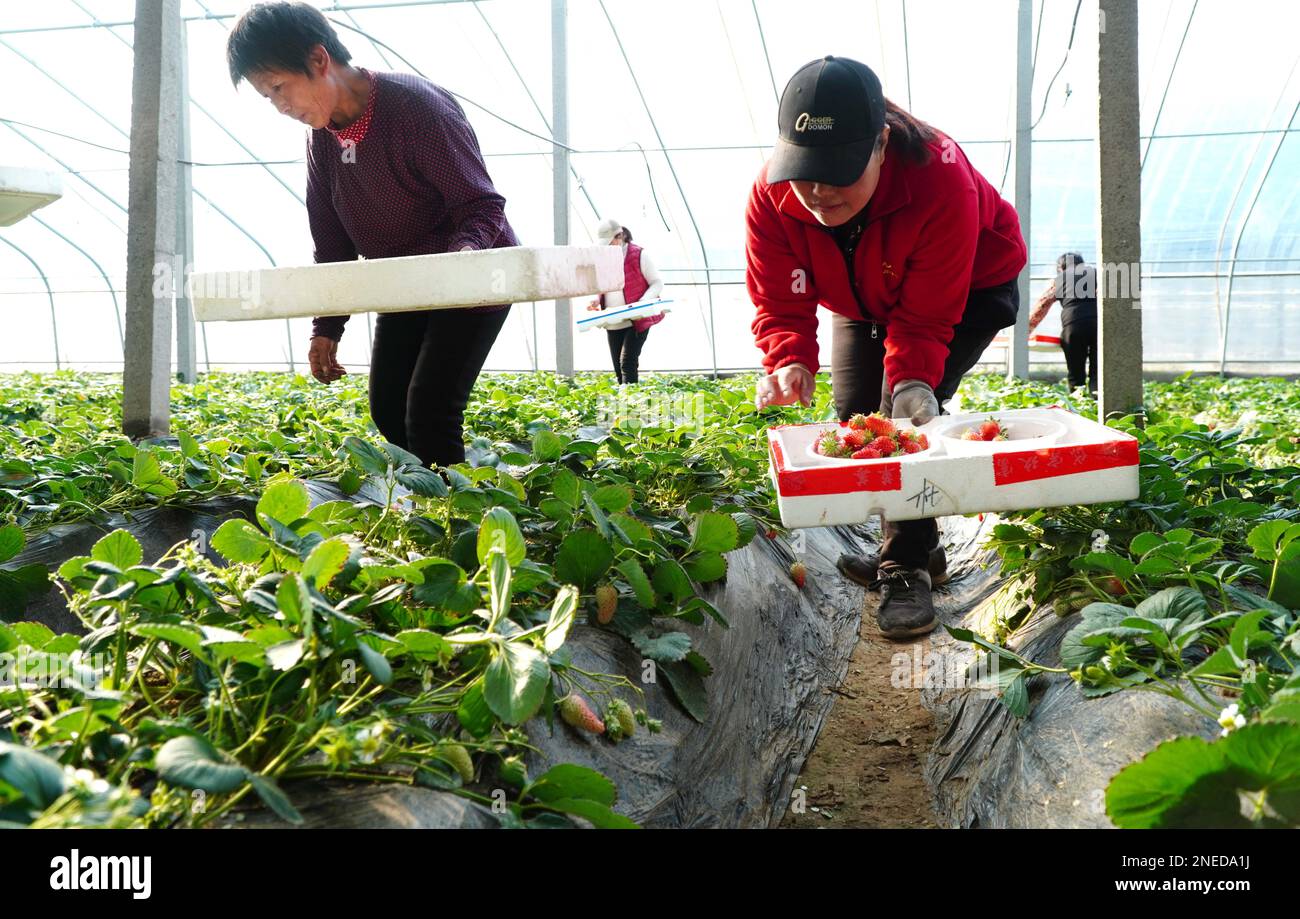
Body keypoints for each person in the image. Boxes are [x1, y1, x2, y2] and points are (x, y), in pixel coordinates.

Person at [746, 56, 1027, 638]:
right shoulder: (771, 196)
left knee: (902, 425)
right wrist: (789, 356)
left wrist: (914, 381)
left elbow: (923, 321)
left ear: (881, 144)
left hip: (968, 289)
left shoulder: (939, 178)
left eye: (839, 171)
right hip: (864, 292)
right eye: (806, 173)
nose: (819, 193)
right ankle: (921, 552)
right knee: (857, 419)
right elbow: (780, 296)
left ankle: (904, 567)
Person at [226, 1, 516, 467]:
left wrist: (460, 261)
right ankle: (431, 501)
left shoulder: (417, 108)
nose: (280, 106)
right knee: (387, 411)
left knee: (429, 412)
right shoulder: (321, 136)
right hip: (402, 286)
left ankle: (457, 521)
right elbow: (333, 244)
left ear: (319, 60)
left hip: (474, 283)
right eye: (268, 96)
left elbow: (482, 206)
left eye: (280, 87)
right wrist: (327, 328)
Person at [586, 219, 664, 384]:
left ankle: (631, 405)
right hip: (612, 321)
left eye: (610, 242)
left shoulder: (639, 254)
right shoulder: (603, 257)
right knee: (618, 368)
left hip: (635, 319)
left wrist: (642, 302)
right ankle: (625, 404)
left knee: (627, 364)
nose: (607, 246)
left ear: (620, 236)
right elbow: (601, 285)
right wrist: (595, 300)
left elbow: (657, 283)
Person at [1028, 252, 1098, 395]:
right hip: (1099, 325)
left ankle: (1078, 401)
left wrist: (1027, 329)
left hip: (1073, 325)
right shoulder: (1097, 274)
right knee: (1098, 370)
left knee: (1075, 371)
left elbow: (1043, 305)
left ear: (1060, 268)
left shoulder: (1060, 279)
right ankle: (1098, 400)